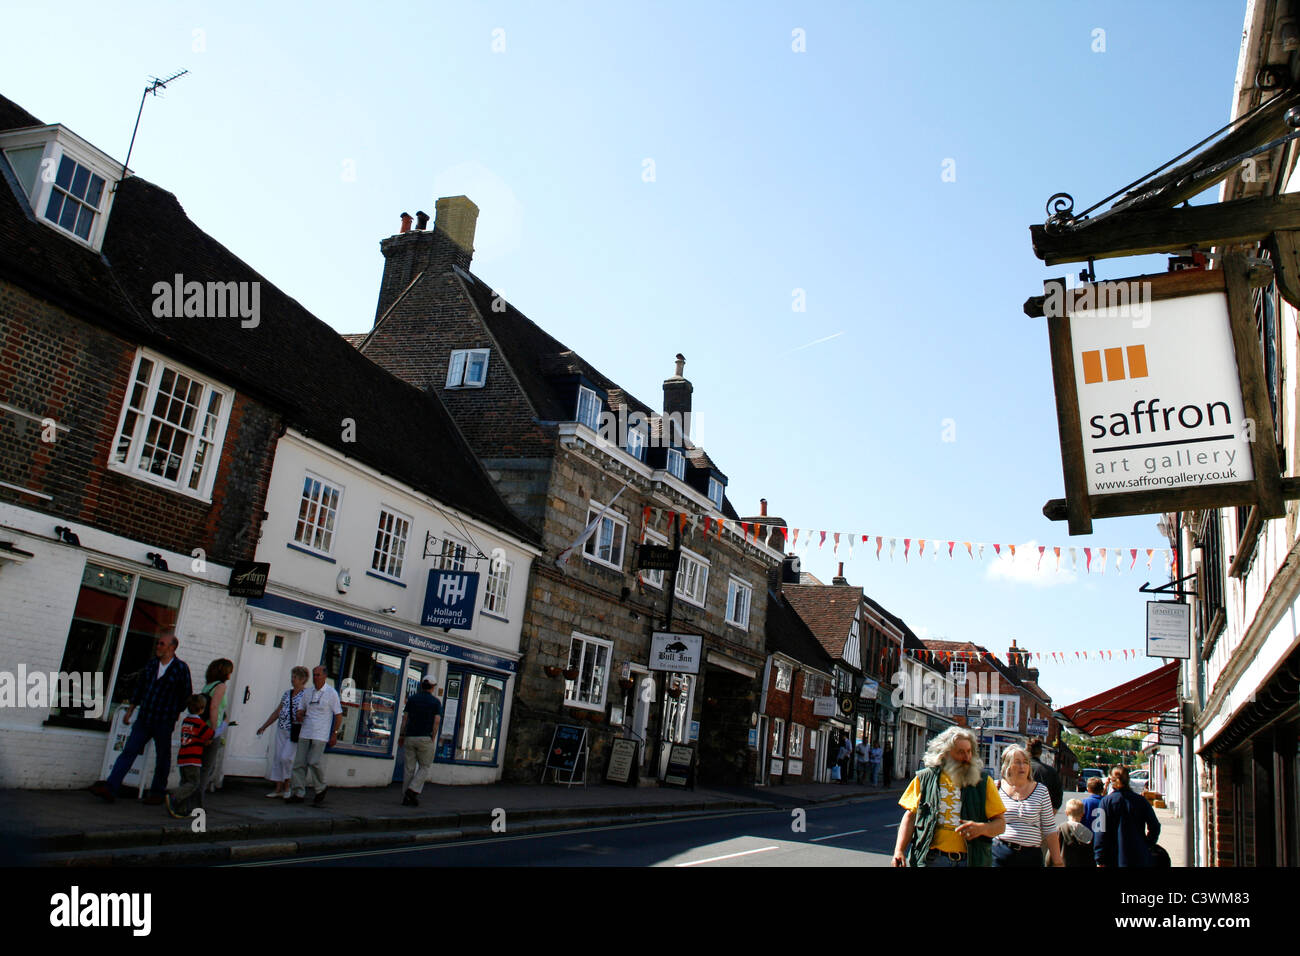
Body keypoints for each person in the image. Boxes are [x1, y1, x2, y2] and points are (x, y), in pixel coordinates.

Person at [91, 630, 192, 804]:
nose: (158, 646)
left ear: (172, 647)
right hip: (145, 717)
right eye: (158, 643)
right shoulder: (152, 665)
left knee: (162, 757)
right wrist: (131, 709)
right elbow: (140, 687)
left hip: (163, 720)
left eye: (161, 644)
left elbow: (186, 694)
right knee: (129, 751)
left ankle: (157, 792)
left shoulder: (180, 668)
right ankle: (111, 787)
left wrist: (174, 713)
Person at [892, 726, 1006, 867]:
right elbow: (910, 817)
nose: (967, 757)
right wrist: (899, 850)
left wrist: (981, 828)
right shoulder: (926, 778)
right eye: (960, 752)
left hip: (970, 860)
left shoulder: (983, 782)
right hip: (932, 859)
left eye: (969, 751)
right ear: (945, 754)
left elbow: (1001, 824)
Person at [992, 746, 1063, 867]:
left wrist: (1058, 862)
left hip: (1030, 856)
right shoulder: (996, 787)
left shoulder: (1041, 791)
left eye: (1025, 762)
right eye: (1017, 762)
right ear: (1008, 766)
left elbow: (1050, 829)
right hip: (1000, 852)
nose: (1022, 766)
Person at [288, 665, 342, 806]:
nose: (316, 678)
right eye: (314, 675)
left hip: (320, 734)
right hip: (306, 731)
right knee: (299, 763)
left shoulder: (331, 693)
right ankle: (298, 792)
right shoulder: (308, 692)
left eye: (318, 675)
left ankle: (321, 787)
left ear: (325, 676)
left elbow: (338, 715)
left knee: (313, 761)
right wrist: (300, 713)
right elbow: (301, 707)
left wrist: (334, 733)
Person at [256, 666, 309, 798]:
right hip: (282, 728)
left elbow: (308, 713)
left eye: (295, 677)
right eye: (292, 677)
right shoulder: (287, 693)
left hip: (295, 730)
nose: (292, 680)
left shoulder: (306, 695)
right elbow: (278, 711)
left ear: (302, 679)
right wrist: (265, 726)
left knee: (287, 758)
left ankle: (287, 786)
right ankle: (278, 788)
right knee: (278, 757)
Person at [1095, 766, 1161, 867]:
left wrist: (1099, 858)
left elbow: (1100, 832)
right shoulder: (1141, 801)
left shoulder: (1105, 802)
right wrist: (1147, 844)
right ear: (1128, 780)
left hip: (1113, 857)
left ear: (1111, 781)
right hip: (1138, 855)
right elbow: (1155, 826)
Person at [166, 694, 214, 818]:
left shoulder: (186, 721)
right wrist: (222, 726)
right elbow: (210, 734)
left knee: (184, 782)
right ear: (202, 709)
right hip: (193, 758)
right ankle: (174, 794)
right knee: (193, 783)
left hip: (183, 757)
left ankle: (180, 809)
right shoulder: (200, 723)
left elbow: (194, 736)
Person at [399, 676, 443, 806]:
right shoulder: (435, 702)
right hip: (425, 737)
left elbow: (405, 718)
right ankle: (412, 790)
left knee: (409, 768)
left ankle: (406, 796)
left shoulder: (412, 699)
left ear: (421, 685)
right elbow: (436, 721)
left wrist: (402, 735)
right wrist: (433, 737)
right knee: (425, 766)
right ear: (433, 687)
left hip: (410, 736)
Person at [199, 658, 234, 795]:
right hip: (212, 729)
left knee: (200, 765)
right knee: (207, 767)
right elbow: (214, 707)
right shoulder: (220, 686)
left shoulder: (208, 686)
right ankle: (196, 802)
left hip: (202, 727)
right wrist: (213, 731)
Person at [1027, 738, 1063, 811]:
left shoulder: (1018, 769)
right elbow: (1058, 797)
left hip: (1021, 814)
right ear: (1040, 752)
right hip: (1043, 813)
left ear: (1026, 750)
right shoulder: (1051, 771)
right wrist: (1050, 814)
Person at [1058, 798, 1095, 867]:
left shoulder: (1061, 829)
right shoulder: (1089, 833)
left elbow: (1053, 853)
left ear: (1066, 812)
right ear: (1083, 814)